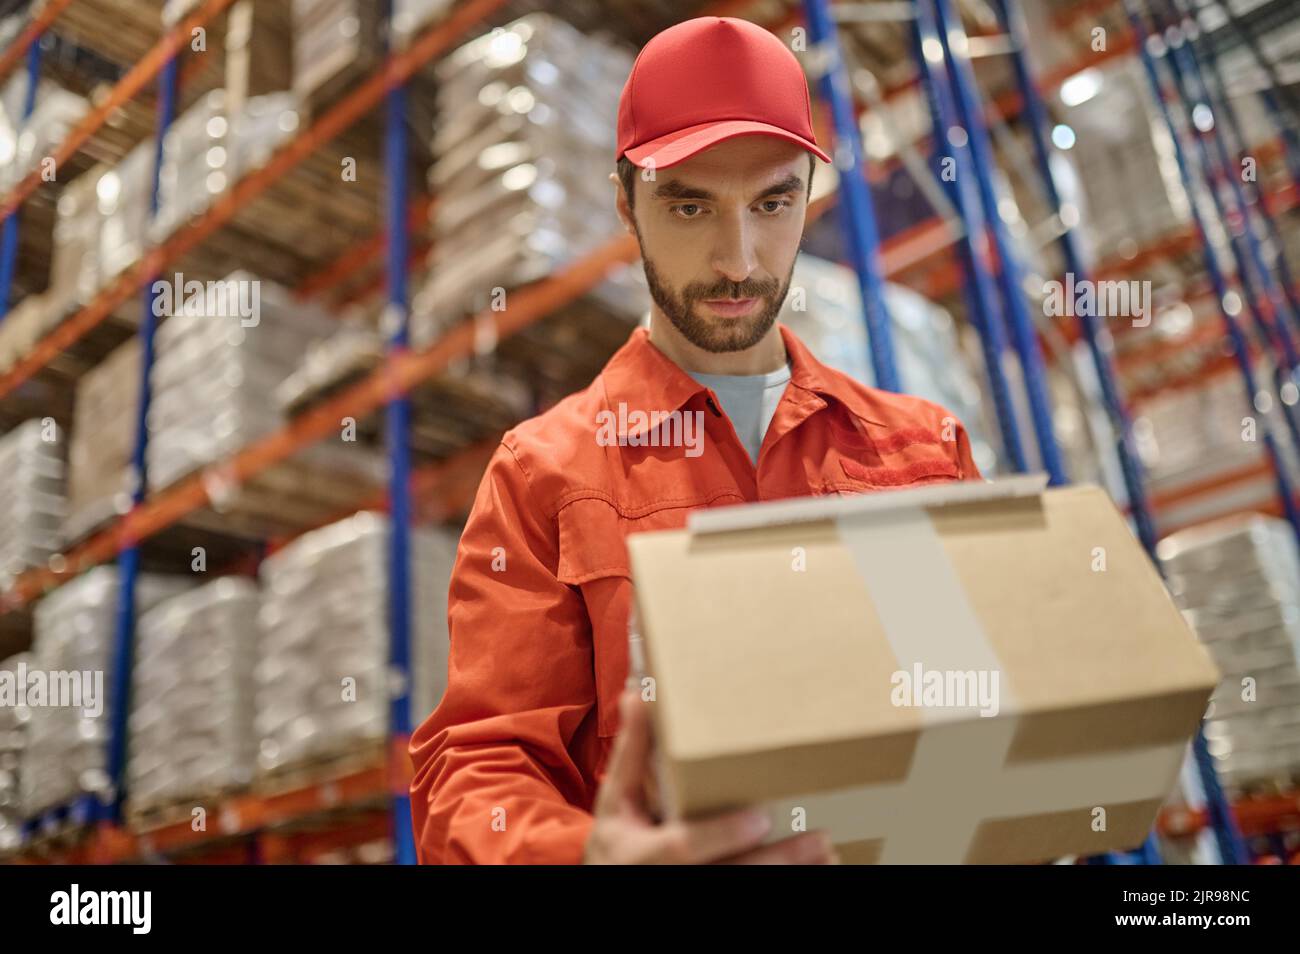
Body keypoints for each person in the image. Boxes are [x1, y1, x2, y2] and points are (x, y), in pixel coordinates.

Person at [409, 15, 983, 865]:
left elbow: (993, 709)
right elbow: (478, 774)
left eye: (773, 202)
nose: (737, 259)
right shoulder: (544, 475)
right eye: (689, 205)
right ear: (624, 204)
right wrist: (592, 858)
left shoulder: (924, 450)